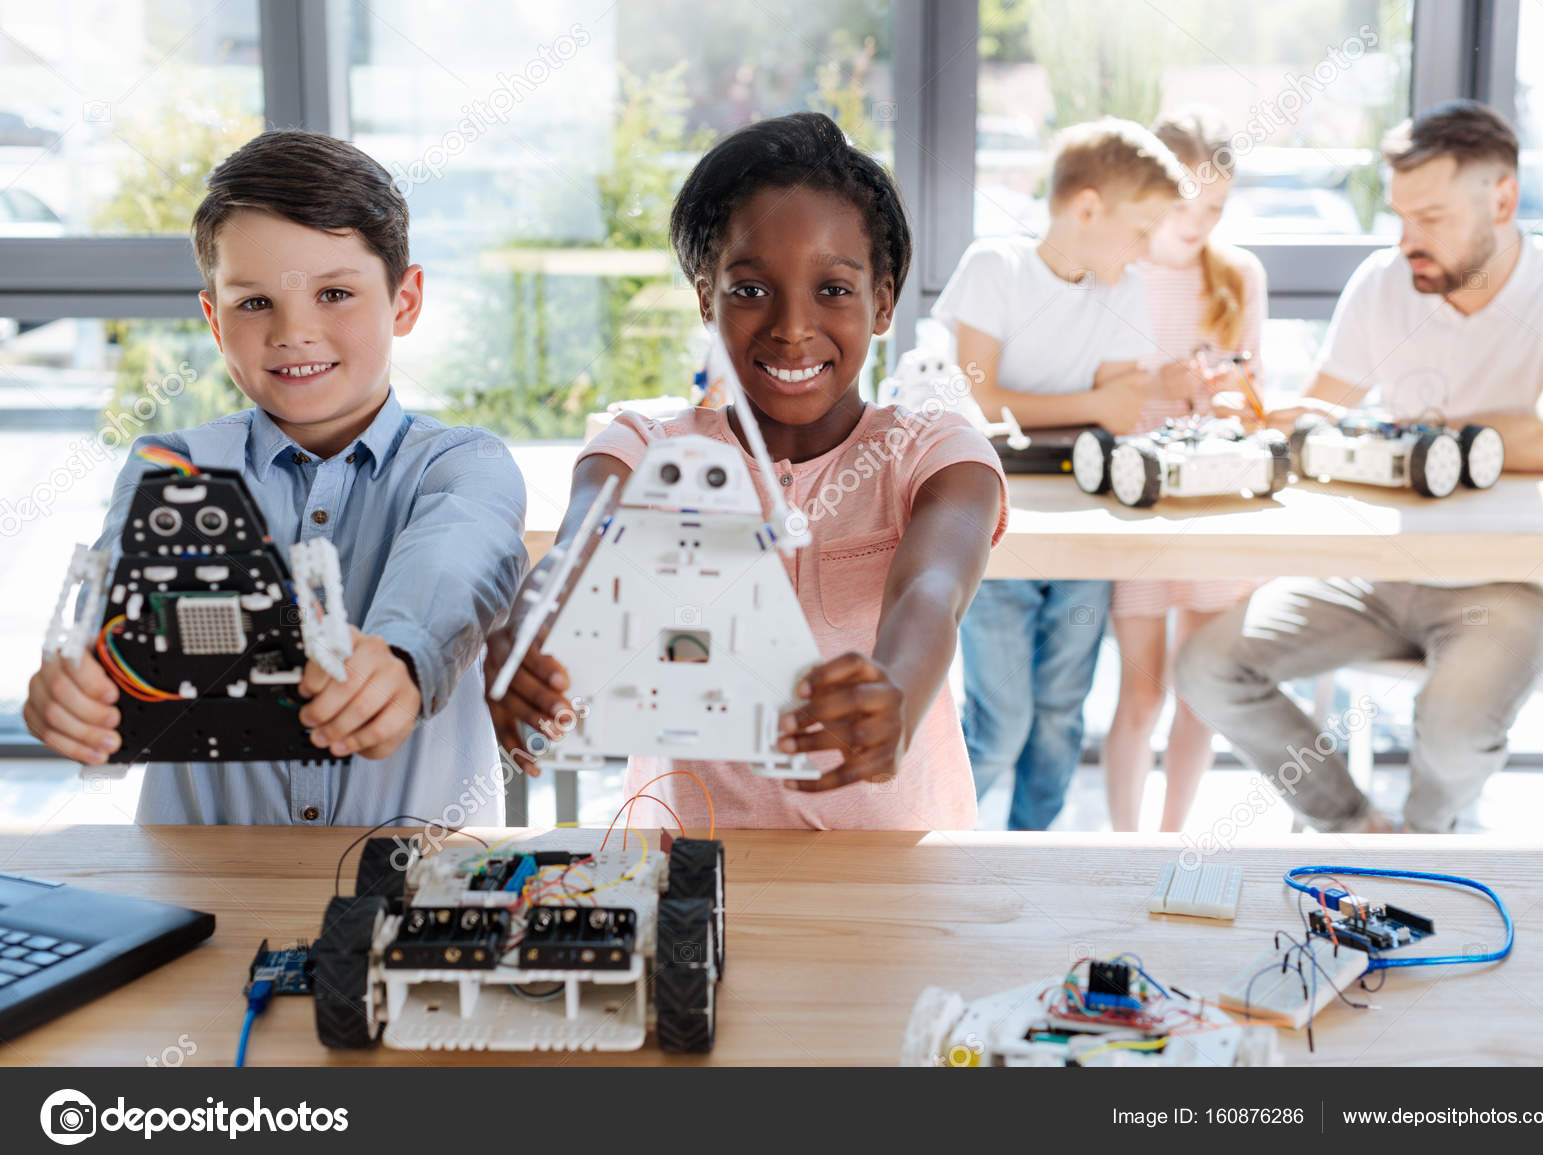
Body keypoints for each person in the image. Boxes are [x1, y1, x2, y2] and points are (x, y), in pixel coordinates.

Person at [488, 112, 1008, 830]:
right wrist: (530, 624)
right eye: (749, 289)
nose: (792, 326)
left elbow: (933, 589)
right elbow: (579, 547)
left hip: (899, 869)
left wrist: (897, 688)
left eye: (833, 289)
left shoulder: (936, 455)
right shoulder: (643, 446)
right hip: (689, 871)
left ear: (883, 302)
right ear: (706, 296)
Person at [21, 129, 529, 825]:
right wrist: (83, 694)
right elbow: (119, 629)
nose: (294, 331)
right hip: (206, 898)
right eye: (255, 302)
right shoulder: (173, 466)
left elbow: (458, 554)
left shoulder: (467, 464)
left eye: (335, 293)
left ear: (404, 301)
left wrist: (404, 657)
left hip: (413, 902)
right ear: (213, 317)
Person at [1176, 101, 1543, 833]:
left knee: (1453, 727)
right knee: (1205, 667)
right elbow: (1317, 412)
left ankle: (1425, 841)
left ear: (1503, 197)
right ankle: (1354, 827)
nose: (1409, 241)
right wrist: (1259, 415)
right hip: (1378, 568)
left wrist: (1397, 433)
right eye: (1400, 217)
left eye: (1431, 217)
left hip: (1515, 580)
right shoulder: (1383, 282)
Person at [932, 117, 1183, 829]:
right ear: (1087, 207)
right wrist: (1093, 404)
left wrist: (1092, 406)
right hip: (998, 526)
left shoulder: (1122, 288)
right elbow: (979, 397)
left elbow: (1114, 411)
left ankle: (1031, 855)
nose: (1147, 249)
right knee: (1002, 720)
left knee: (1058, 720)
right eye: (1141, 229)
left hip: (1084, 522)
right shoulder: (995, 269)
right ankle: (947, 842)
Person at [1103, 109, 1267, 832]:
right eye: (1185, 206)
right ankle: (1122, 843)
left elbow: (1255, 396)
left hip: (1213, 503)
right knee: (1141, 695)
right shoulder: (1118, 275)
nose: (1200, 223)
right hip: (1138, 505)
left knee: (1200, 690)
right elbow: (1099, 396)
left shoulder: (1238, 275)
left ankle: (1172, 839)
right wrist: (1156, 388)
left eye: (1216, 208)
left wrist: (1228, 392)